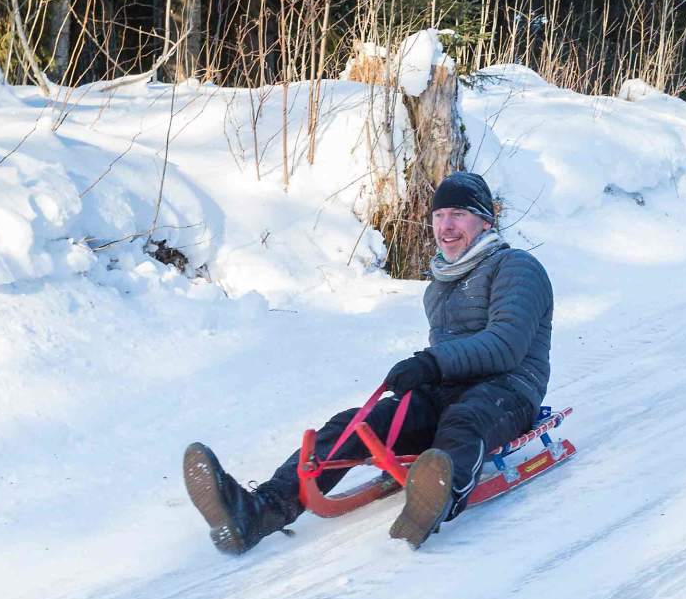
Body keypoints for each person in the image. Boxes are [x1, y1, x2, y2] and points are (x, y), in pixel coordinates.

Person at [183, 171, 554, 552]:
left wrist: (431, 364)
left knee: (464, 421)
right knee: (357, 424)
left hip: (507, 392)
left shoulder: (517, 267)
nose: (446, 226)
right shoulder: (438, 286)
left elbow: (506, 344)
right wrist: (426, 375)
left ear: (485, 220)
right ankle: (258, 512)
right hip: (444, 393)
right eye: (439, 215)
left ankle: (437, 497)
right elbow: (445, 359)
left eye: (458, 213)